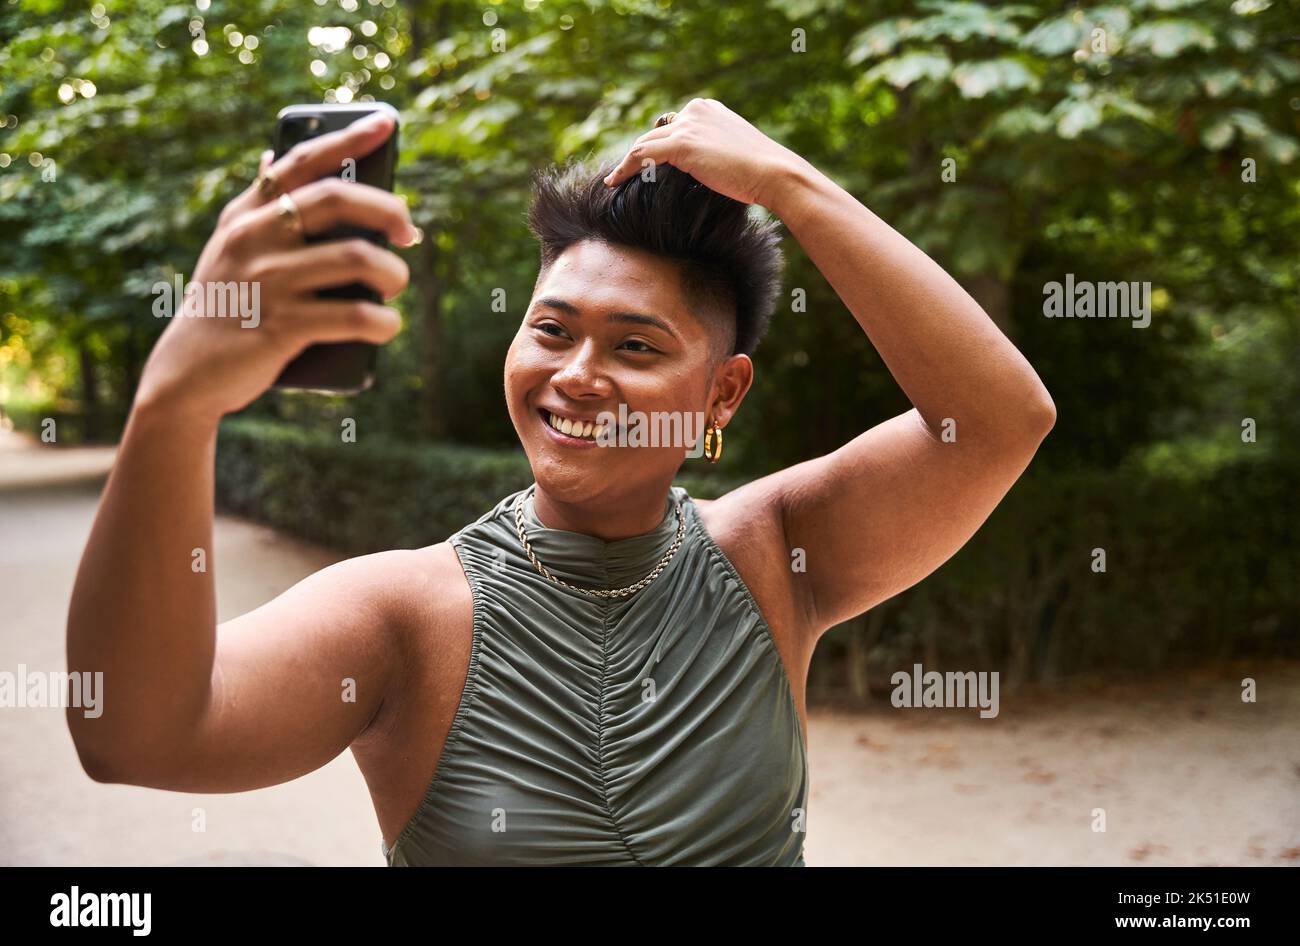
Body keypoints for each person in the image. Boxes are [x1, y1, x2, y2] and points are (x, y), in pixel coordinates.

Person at [66, 99, 1055, 866]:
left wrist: (792, 184)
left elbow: (1001, 420)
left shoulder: (776, 549)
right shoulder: (405, 614)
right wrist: (174, 403)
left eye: (633, 344)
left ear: (722, 392)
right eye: (550, 328)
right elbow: (134, 732)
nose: (576, 370)